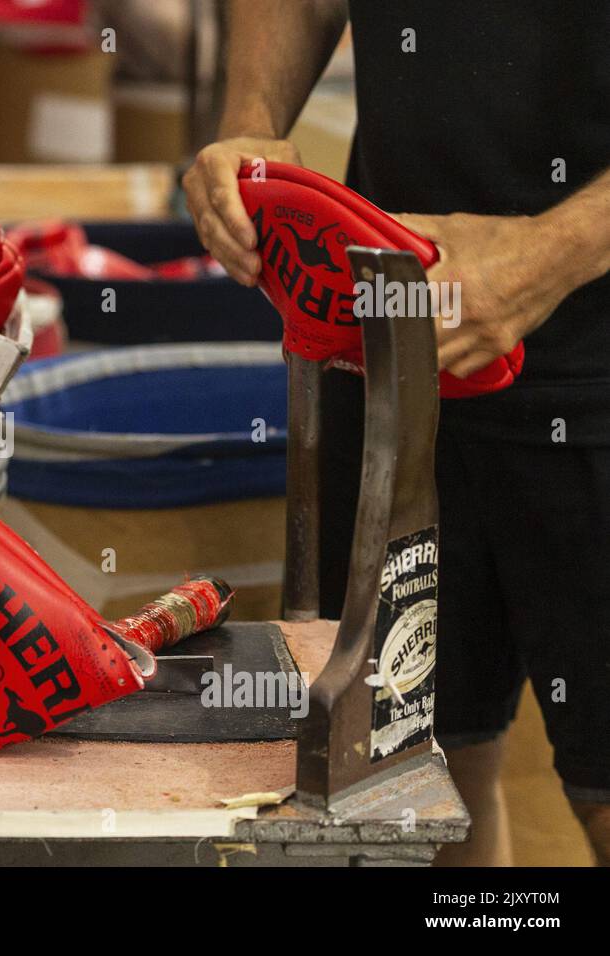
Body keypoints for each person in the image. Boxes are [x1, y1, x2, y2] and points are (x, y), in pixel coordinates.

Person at [182, 0, 610, 866]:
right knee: (411, 789)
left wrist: (553, 251)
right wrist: (251, 129)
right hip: (385, 338)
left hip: (596, 363)